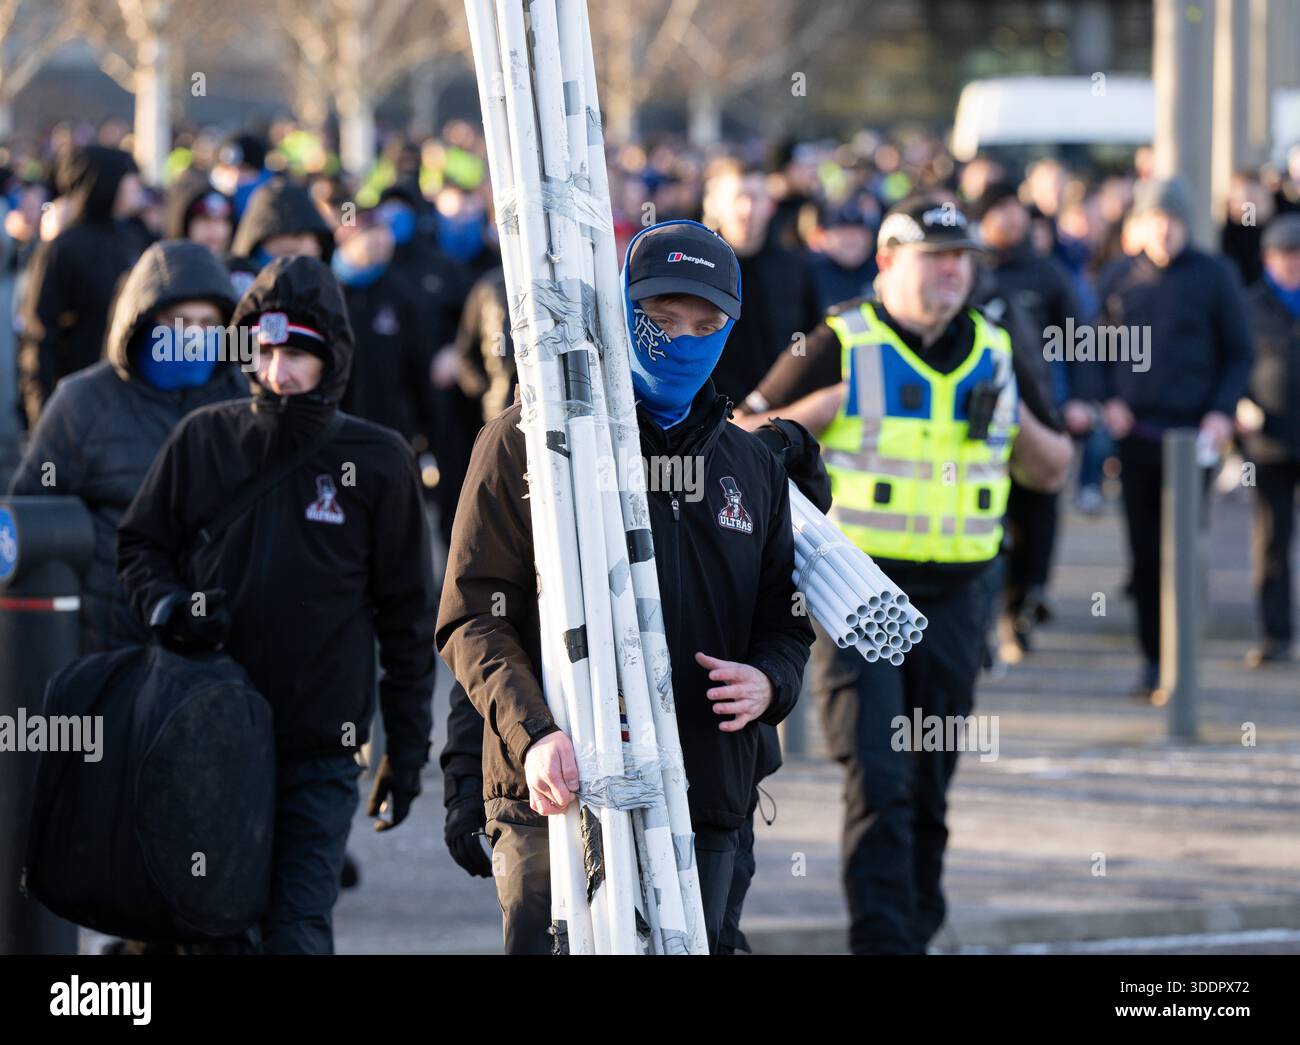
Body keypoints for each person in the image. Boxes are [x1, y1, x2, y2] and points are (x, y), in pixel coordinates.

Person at [436, 218, 814, 954]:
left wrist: (772, 682)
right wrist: (534, 733)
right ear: (619, 309)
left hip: (708, 791)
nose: (683, 339)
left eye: (706, 324)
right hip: (558, 787)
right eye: (661, 318)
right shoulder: (529, 441)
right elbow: (473, 615)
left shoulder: (754, 464)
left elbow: (786, 617)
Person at [737, 195, 1072, 954]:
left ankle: (917, 929)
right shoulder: (841, 339)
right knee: (880, 776)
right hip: (863, 596)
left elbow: (1054, 471)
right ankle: (883, 941)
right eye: (936, 256)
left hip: (961, 593)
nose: (954, 271)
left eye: (963, 258)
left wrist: (1013, 419)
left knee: (931, 778)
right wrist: (819, 409)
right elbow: (736, 440)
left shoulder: (995, 341)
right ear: (888, 262)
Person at [117, 255, 437, 953]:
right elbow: (141, 545)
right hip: (209, 736)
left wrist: (405, 756)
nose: (277, 369)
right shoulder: (204, 439)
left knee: (295, 932)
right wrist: (168, 603)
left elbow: (410, 622)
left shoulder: (377, 461)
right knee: (213, 928)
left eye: (297, 351)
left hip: (320, 747)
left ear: (334, 358)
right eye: (263, 347)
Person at [9, 239, 247, 653]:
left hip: (218, 649)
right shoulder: (82, 402)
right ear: (141, 322)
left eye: (208, 323)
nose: (193, 337)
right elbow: (29, 522)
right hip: (109, 647)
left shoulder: (243, 401)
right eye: (176, 321)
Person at [1078, 177, 1253, 699]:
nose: (1164, 232)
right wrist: (1108, 400)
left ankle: (1184, 660)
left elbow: (1239, 352)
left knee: (1181, 550)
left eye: (1172, 221)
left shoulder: (1215, 275)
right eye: (1155, 221)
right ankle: (1154, 662)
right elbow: (1090, 350)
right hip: (1136, 438)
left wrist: (1222, 413)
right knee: (1144, 553)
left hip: (1192, 437)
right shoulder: (1119, 276)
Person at [976, 180, 1080, 656]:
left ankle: (1022, 605)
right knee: (986, 517)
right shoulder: (969, 271)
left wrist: (1083, 400)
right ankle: (985, 615)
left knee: (1038, 512)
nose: (1011, 218)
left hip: (1035, 413)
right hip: (972, 418)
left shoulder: (1046, 274)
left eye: (1015, 208)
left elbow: (1080, 341)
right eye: (999, 209)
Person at [16, 144, 146, 427]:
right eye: (128, 177)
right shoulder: (62, 249)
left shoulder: (133, 240)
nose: (137, 185)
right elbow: (38, 334)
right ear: (104, 182)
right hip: (75, 402)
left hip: (128, 401)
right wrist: (41, 413)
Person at [701, 160, 822, 407]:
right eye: (737, 198)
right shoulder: (695, 268)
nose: (746, 209)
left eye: (755, 198)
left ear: (769, 205)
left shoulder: (795, 269)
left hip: (780, 415)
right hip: (711, 418)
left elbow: (810, 339)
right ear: (714, 205)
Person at [1240, 214, 1300, 667]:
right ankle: (1274, 633)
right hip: (1269, 441)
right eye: (1285, 256)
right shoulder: (1249, 305)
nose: (1293, 264)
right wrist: (1240, 405)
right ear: (1269, 259)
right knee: (1272, 540)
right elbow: (1231, 359)